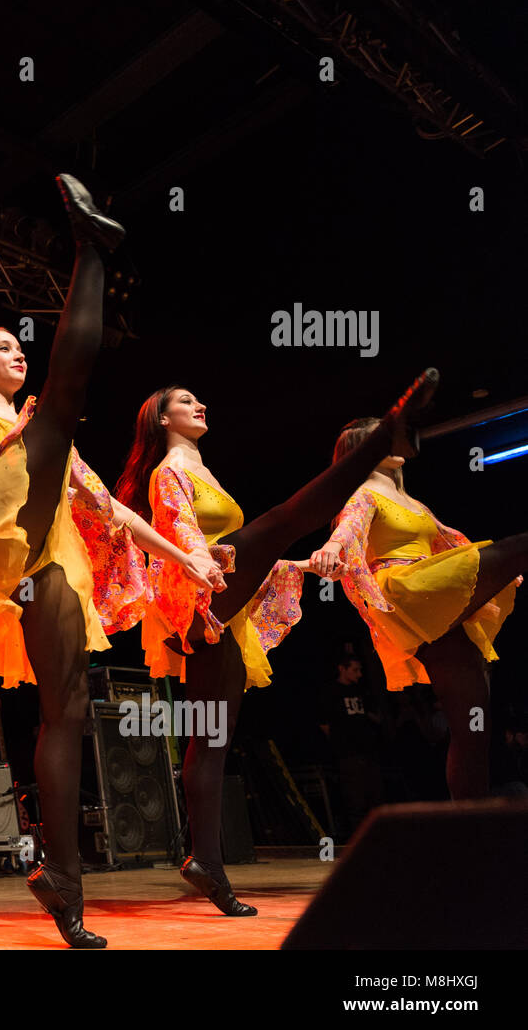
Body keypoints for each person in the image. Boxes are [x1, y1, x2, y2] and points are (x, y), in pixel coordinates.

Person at [0, 174, 224, 948]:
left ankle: (62, 879)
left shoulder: (44, 427)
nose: (13, 355)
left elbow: (108, 506)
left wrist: (187, 560)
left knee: (65, 711)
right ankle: (89, 251)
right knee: (63, 402)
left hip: (56, 556)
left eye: (15, 346)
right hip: (3, 533)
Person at [112, 370, 439, 915]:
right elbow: (183, 531)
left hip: (221, 584)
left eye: (199, 397)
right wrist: (204, 568)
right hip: (202, 589)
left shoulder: (200, 467)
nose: (201, 404)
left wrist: (298, 566)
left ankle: (205, 862)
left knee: (215, 731)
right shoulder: (169, 470)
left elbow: (241, 549)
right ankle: (381, 436)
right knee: (286, 518)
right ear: (161, 419)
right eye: (186, 401)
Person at [308, 418, 521, 799]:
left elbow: (453, 541)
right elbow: (348, 529)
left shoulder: (412, 502)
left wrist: (498, 572)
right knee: (519, 548)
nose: (401, 442)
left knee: (473, 729)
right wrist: (331, 550)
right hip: (408, 592)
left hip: (434, 598)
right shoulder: (364, 494)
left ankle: (471, 828)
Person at [316, 653, 385, 838]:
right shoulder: (331, 693)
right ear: (342, 669)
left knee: (375, 795)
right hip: (348, 753)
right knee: (355, 800)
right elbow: (324, 724)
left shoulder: (361, 690)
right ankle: (358, 840)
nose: (359, 674)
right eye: (354, 670)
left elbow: (375, 716)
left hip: (368, 749)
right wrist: (341, 742)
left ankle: (378, 838)